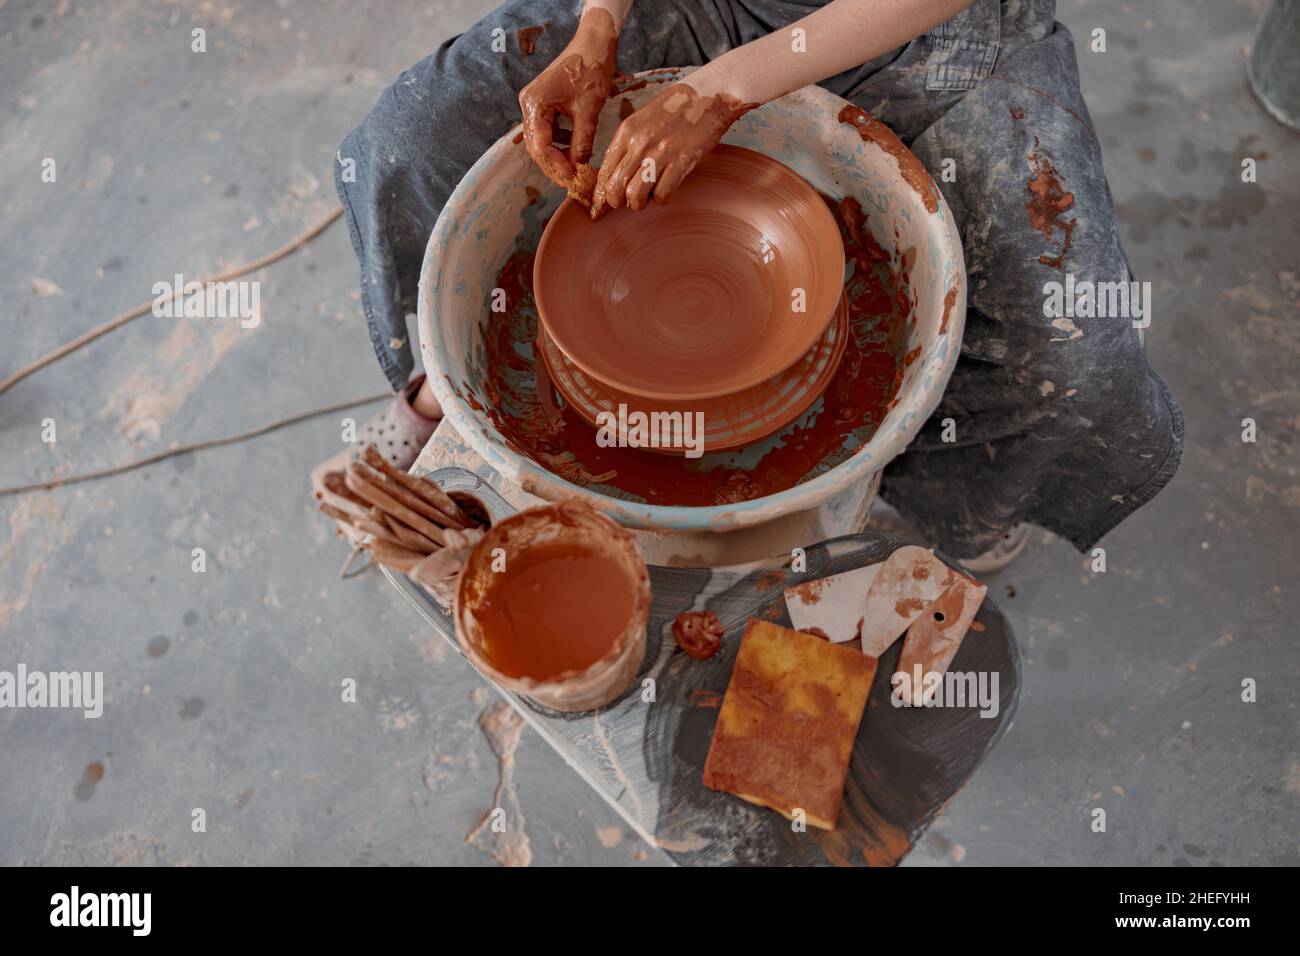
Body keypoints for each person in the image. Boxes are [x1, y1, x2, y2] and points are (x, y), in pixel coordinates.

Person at [321, 0, 1183, 570]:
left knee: (1081, 370)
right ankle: (449, 384)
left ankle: (953, 516)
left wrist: (725, 90)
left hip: (936, 39)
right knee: (411, 140)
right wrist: (597, 27)